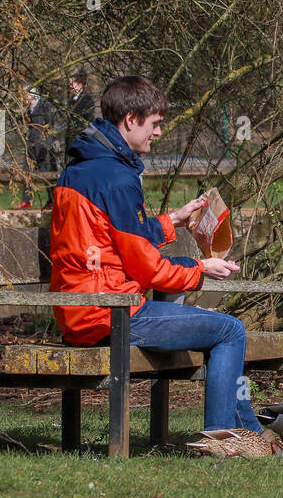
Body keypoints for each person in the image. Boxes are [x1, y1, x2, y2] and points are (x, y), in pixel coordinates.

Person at [49, 75, 260, 432]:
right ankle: (226, 436)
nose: (159, 132)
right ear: (131, 119)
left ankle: (246, 434)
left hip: (80, 310)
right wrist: (201, 267)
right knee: (230, 331)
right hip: (110, 314)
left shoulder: (82, 169)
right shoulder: (117, 177)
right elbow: (147, 270)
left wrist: (172, 221)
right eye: (155, 123)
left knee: (220, 329)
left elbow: (113, 239)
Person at [18, 86, 57, 209]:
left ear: (32, 95)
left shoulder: (45, 106)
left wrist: (47, 145)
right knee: (26, 172)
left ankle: (52, 201)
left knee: (48, 174)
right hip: (32, 146)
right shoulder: (29, 110)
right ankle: (26, 200)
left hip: (44, 147)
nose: (24, 99)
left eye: (26, 96)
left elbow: (50, 125)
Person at [67, 70, 95, 144]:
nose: (70, 86)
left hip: (81, 140)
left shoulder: (87, 100)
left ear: (80, 84)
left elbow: (88, 121)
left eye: (72, 84)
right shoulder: (71, 101)